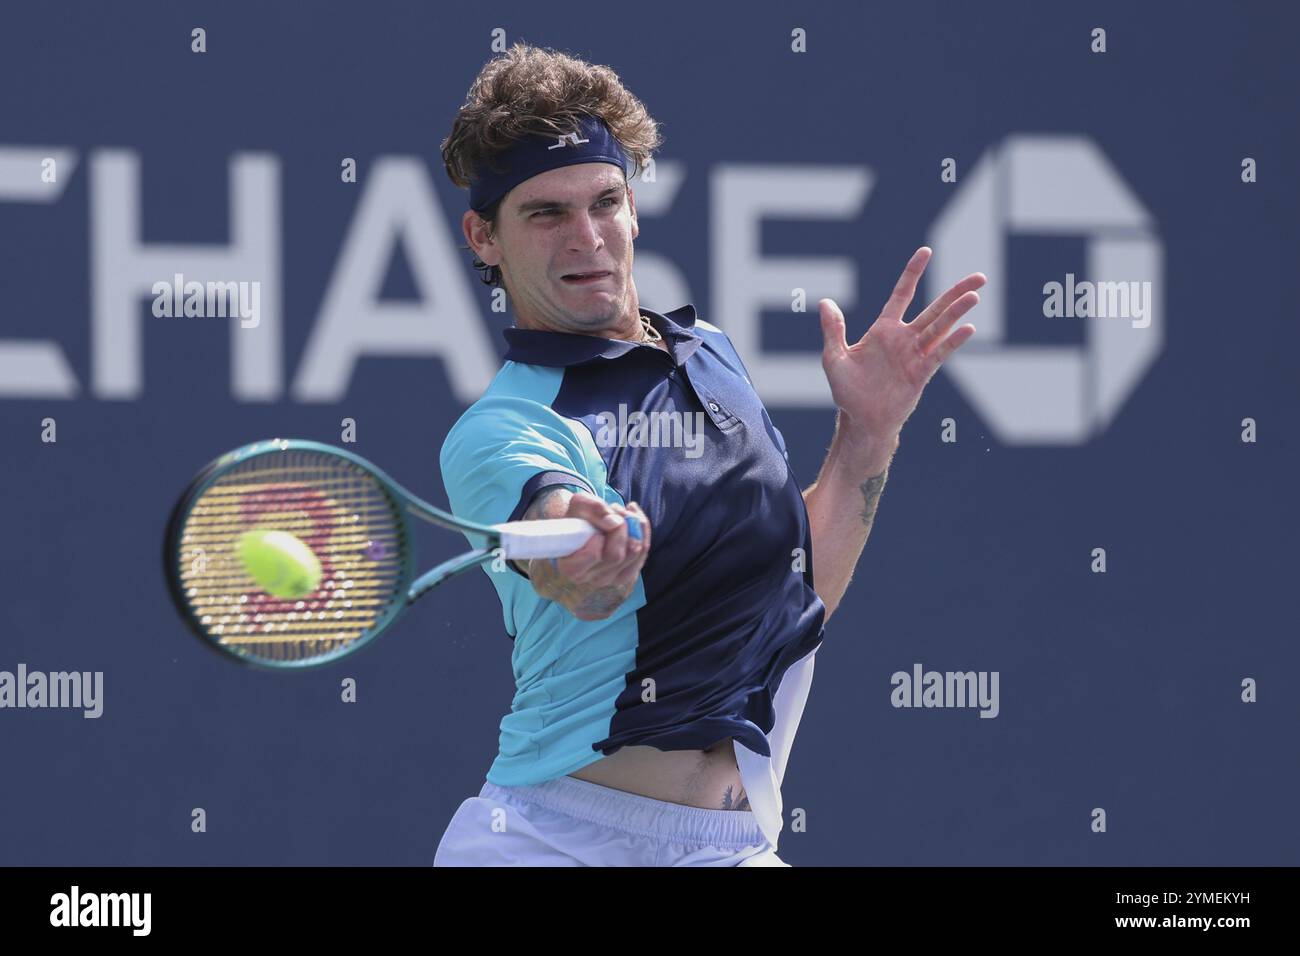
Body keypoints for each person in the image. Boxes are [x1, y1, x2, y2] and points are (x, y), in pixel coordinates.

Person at [434, 42, 984, 866]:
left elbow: (790, 600)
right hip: (552, 845)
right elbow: (557, 549)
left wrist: (868, 433)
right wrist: (583, 556)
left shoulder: (711, 354)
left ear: (632, 208)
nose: (586, 237)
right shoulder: (500, 430)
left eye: (605, 202)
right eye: (545, 214)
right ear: (485, 237)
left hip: (729, 848)